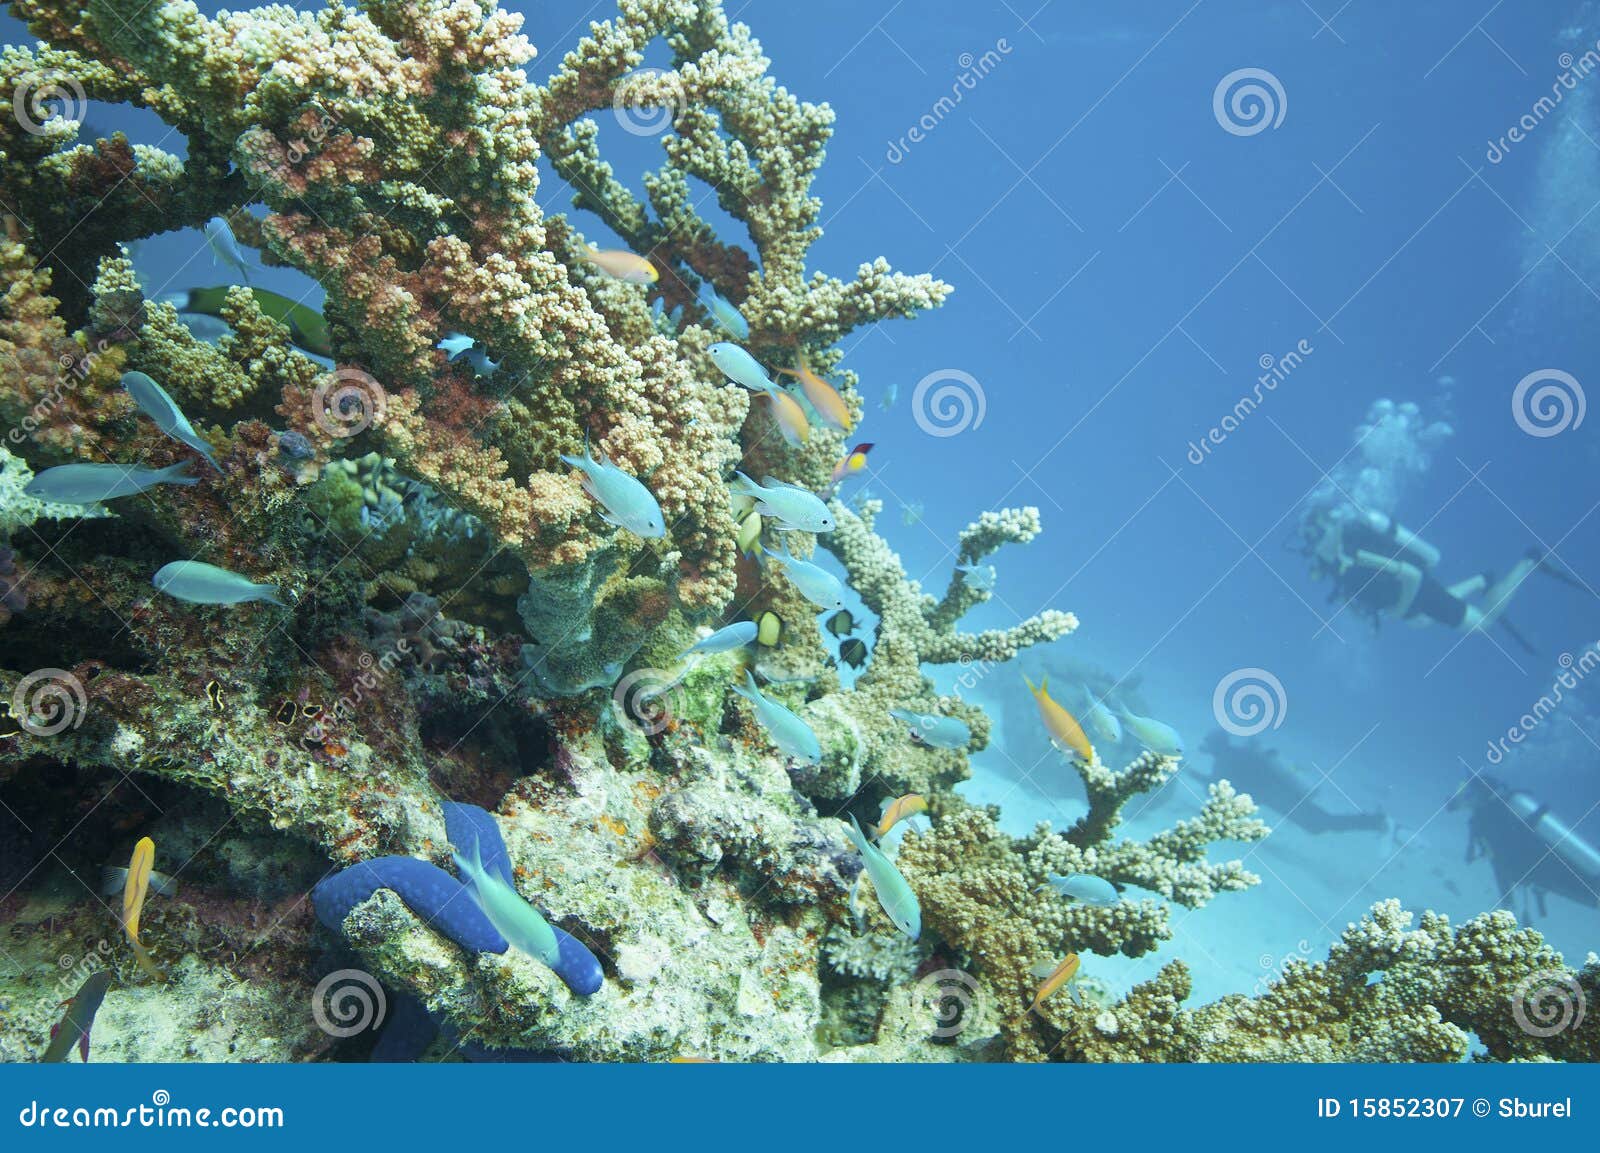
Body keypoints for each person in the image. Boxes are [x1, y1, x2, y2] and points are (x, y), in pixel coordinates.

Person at [1296, 503, 1583, 652]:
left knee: (1482, 625)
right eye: (1311, 543)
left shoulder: (1356, 556)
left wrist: (1398, 611)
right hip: (1412, 601)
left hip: (1417, 593)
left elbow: (1411, 574)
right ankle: (1482, 581)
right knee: (1420, 622)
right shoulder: (1341, 562)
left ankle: (1529, 562)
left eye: (1315, 537)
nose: (1314, 548)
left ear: (1328, 526)